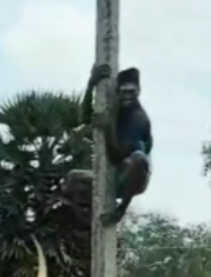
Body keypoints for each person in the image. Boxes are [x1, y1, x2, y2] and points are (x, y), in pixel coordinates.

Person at [60, 63, 153, 225]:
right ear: (117, 92)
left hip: (132, 176)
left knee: (138, 158)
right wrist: (91, 85)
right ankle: (88, 213)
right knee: (72, 179)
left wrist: (108, 126)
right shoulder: (115, 105)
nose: (128, 96)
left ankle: (119, 211)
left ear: (138, 92)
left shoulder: (138, 118)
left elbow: (118, 154)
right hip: (113, 174)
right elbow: (85, 118)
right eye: (124, 92)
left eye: (132, 92)